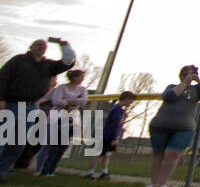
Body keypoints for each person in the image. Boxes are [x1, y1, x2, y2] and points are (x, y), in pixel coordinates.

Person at [0, 38, 75, 179]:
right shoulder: (19, 61)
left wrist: (65, 46)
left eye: (44, 45)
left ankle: (2, 170)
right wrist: (1, 99)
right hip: (11, 103)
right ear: (31, 46)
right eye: (38, 44)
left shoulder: (47, 65)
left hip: (30, 106)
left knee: (18, 143)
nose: (41, 47)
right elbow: (2, 78)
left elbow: (67, 62)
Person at [147, 65, 200, 187]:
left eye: (192, 73)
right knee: (159, 155)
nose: (190, 75)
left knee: (172, 154)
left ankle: (162, 184)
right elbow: (169, 96)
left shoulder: (197, 89)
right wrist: (185, 83)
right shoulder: (171, 87)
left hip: (184, 127)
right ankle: (154, 183)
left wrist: (199, 81)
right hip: (160, 125)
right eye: (187, 73)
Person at [36, 69, 88, 176]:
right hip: (56, 116)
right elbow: (56, 101)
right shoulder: (62, 87)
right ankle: (39, 169)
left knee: (62, 145)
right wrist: (70, 103)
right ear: (74, 77)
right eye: (81, 77)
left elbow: (83, 101)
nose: (83, 79)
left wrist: (66, 100)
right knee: (48, 144)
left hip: (71, 118)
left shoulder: (82, 89)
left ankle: (50, 169)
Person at [86, 91, 135, 179]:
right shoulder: (118, 110)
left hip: (107, 134)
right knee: (98, 154)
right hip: (108, 136)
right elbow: (115, 124)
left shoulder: (117, 109)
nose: (130, 104)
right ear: (127, 99)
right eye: (130, 101)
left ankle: (104, 172)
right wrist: (114, 138)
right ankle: (90, 172)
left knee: (106, 154)